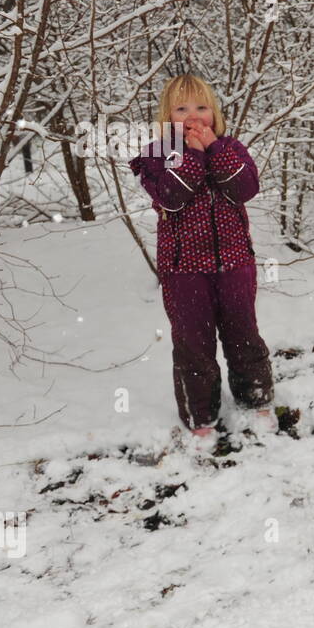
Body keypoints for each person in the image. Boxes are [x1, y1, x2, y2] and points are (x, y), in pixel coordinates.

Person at [129, 74, 273, 447]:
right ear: (167, 116)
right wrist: (193, 155)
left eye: (201, 107)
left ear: (214, 112)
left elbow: (245, 188)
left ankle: (256, 400)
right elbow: (171, 198)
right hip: (184, 271)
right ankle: (201, 415)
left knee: (243, 333)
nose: (193, 116)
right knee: (194, 342)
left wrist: (214, 150)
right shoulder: (157, 155)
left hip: (235, 263)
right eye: (182, 108)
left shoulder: (230, 148)